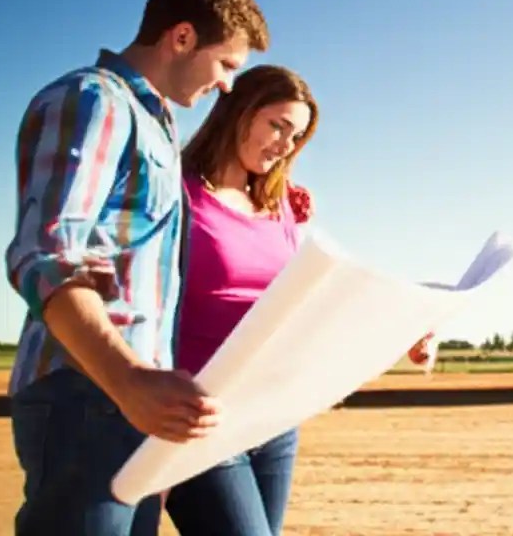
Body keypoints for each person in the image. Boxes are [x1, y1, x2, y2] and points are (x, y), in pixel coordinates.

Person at [3, 0, 270, 535]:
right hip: (87, 393)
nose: (228, 85)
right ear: (182, 37)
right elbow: (48, 255)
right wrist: (127, 381)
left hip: (133, 401)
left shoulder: (158, 125)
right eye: (226, 64)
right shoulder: (93, 100)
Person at [163, 65, 434, 534]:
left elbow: (311, 297)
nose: (285, 145)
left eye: (297, 136)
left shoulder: (281, 207)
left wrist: (403, 325)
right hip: (204, 416)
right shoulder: (175, 192)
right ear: (238, 111)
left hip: (272, 418)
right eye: (278, 126)